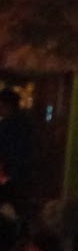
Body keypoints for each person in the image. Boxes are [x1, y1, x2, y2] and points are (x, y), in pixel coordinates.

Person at [0, 88, 34, 221]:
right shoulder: (27, 122)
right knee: (20, 209)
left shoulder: (6, 125)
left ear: (8, 105)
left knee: (8, 209)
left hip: (9, 174)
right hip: (23, 173)